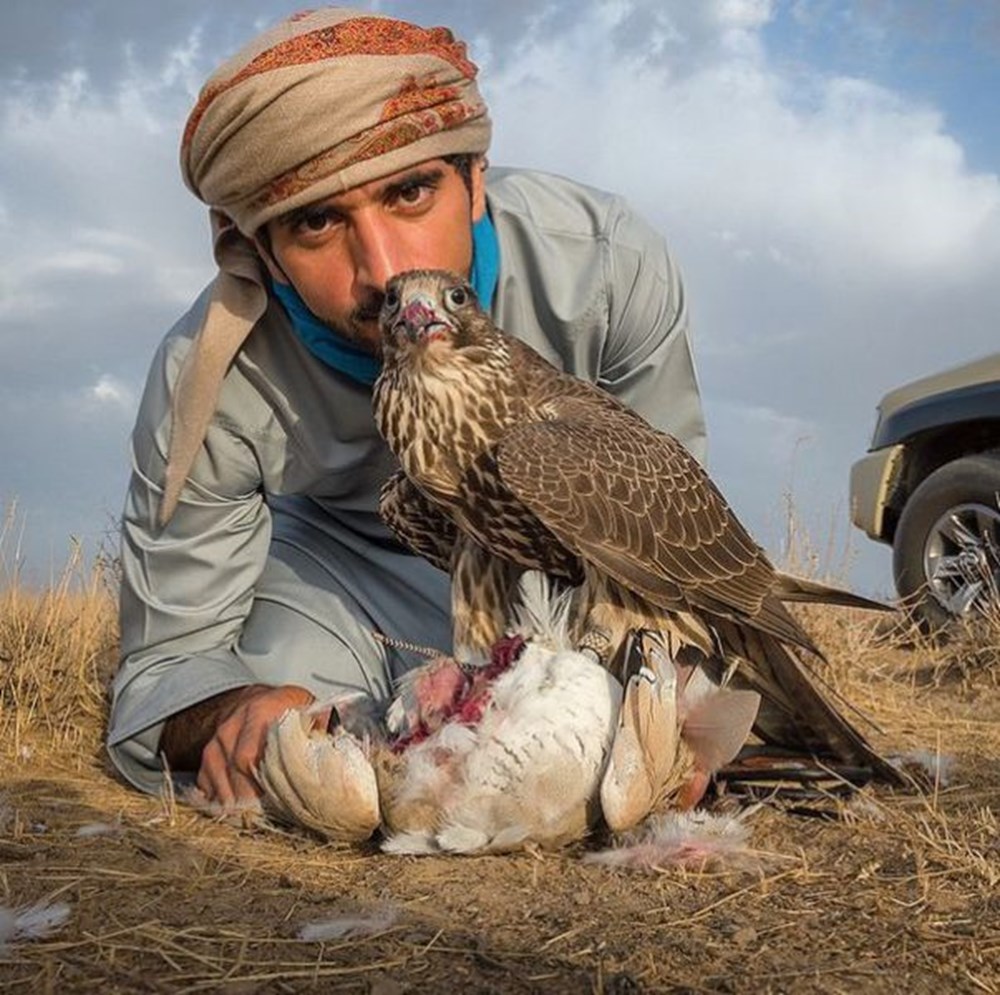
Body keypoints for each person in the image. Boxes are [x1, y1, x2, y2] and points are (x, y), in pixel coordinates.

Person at [107, 7, 706, 812]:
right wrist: (231, 713)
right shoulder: (208, 380)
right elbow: (167, 666)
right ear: (257, 247)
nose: (385, 270)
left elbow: (678, 551)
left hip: (582, 585)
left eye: (412, 191)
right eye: (317, 221)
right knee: (303, 756)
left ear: (476, 180)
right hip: (346, 584)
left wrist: (673, 690)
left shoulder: (605, 267)